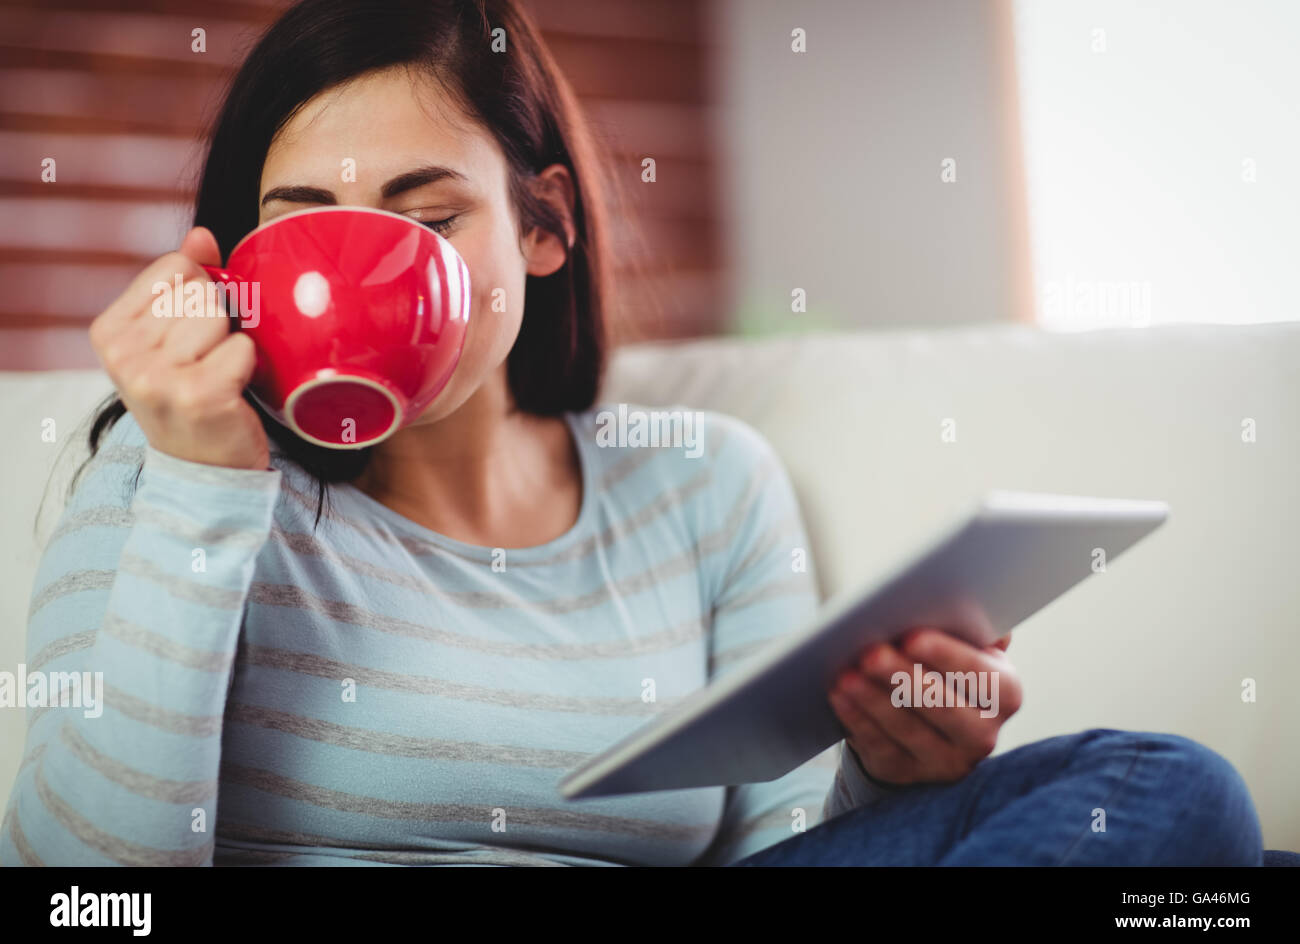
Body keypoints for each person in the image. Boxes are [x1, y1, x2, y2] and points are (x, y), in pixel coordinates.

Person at [0, 0, 1263, 867]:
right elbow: (83, 892)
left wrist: (888, 768)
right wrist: (205, 483)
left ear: (544, 228)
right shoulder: (168, 475)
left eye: (425, 215)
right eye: (307, 219)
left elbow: (786, 851)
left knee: (1168, 810)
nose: (364, 267)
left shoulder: (704, 484)